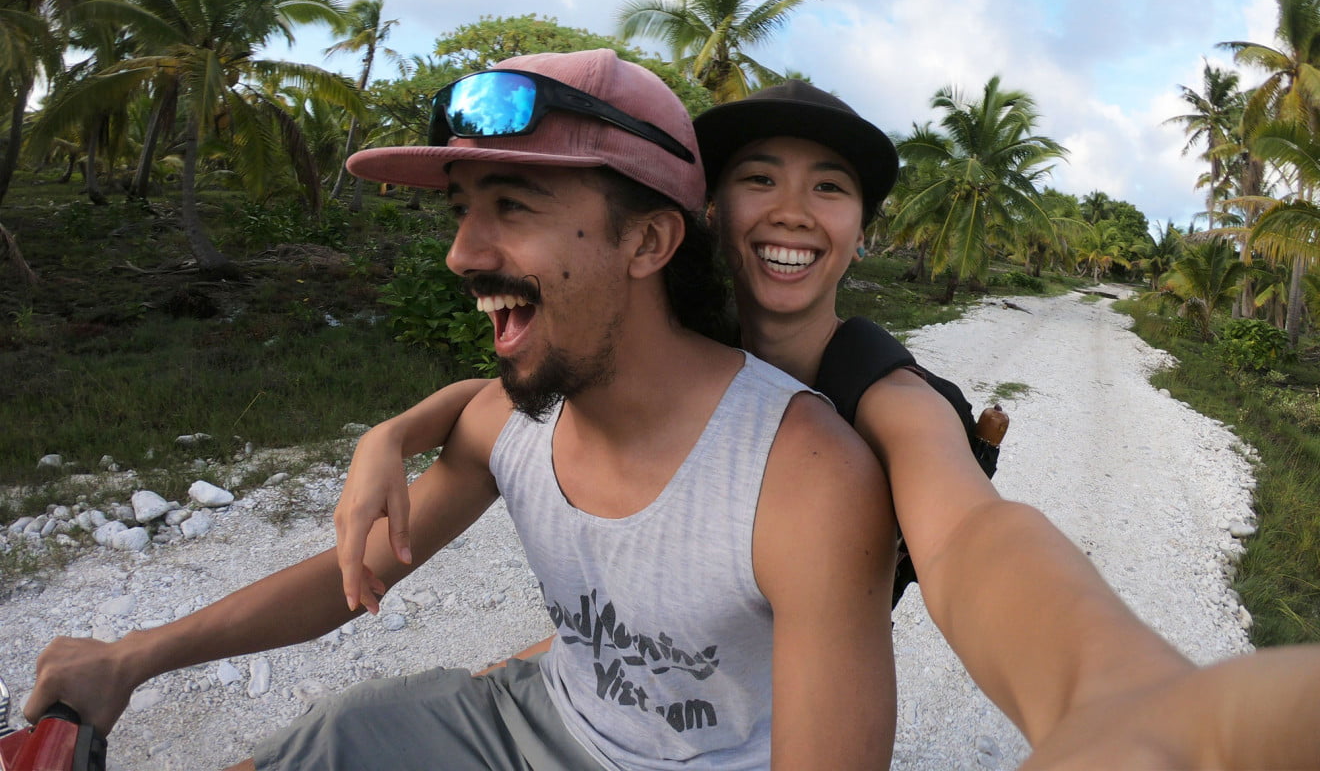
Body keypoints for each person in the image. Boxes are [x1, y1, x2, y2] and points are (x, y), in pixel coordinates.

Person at [335, 78, 1320, 768]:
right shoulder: (673, 325)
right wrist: (394, 430)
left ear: (861, 230)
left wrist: (1113, 690)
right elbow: (525, 384)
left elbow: (977, 535)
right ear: (703, 212)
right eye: (759, 177)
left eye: (833, 187)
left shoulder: (885, 397)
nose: (793, 210)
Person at [25, 50, 899, 770]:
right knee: (335, 738)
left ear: (648, 241)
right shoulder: (511, 421)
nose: (459, 254)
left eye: (511, 206)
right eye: (461, 209)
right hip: (531, 724)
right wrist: (131, 656)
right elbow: (352, 578)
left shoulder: (803, 475)